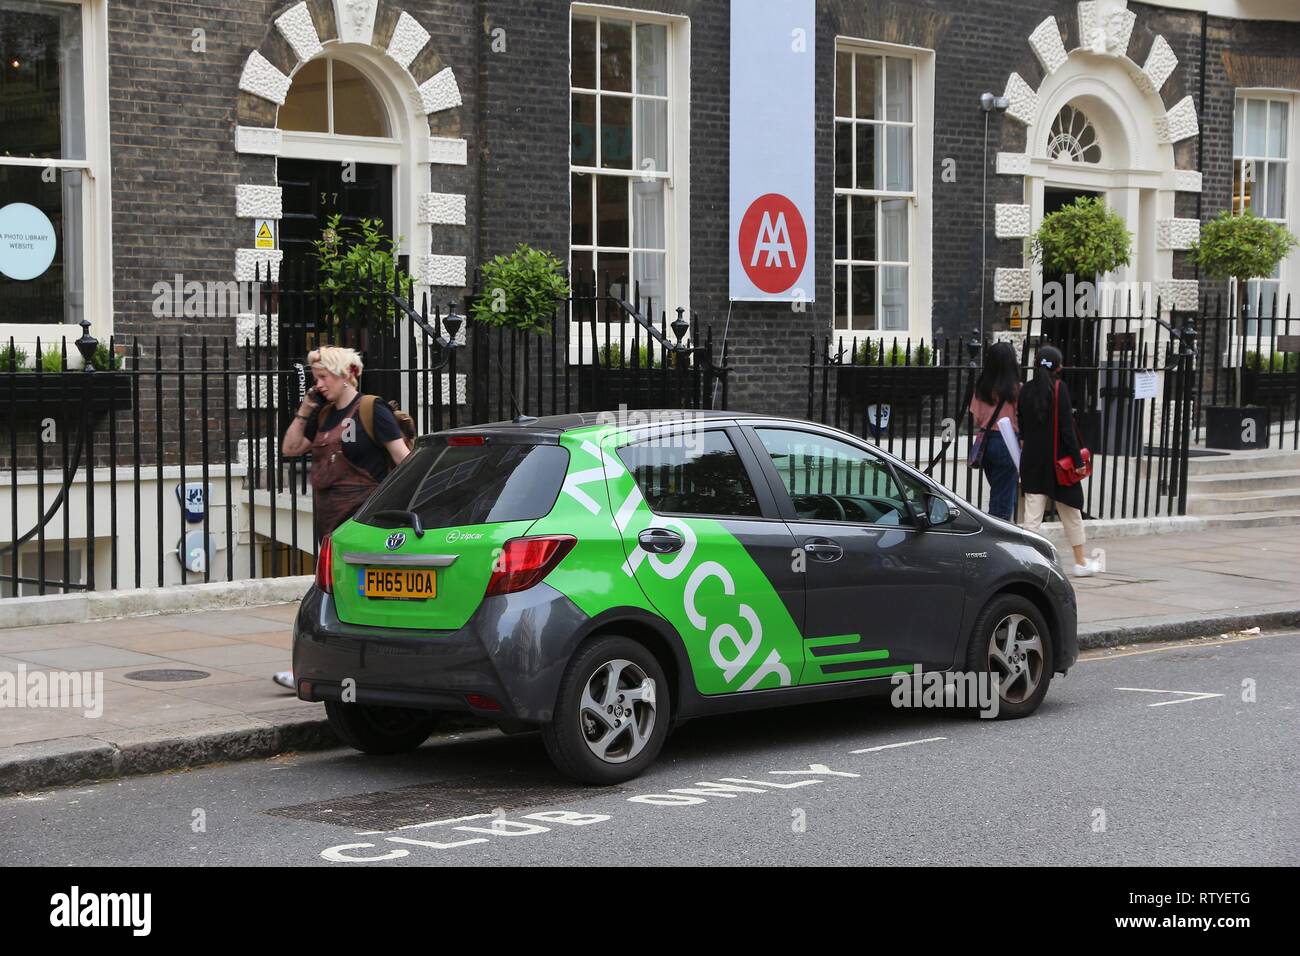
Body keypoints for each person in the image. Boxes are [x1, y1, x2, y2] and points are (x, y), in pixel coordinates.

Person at [273, 346, 410, 689]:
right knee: (339, 597)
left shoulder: (371, 409)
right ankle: (337, 668)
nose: (318, 384)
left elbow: (404, 461)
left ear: (348, 372)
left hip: (363, 522)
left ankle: (318, 668)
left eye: (324, 377)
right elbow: (290, 449)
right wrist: (306, 408)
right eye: (314, 377)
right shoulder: (322, 416)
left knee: (345, 596)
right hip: (330, 521)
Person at [1018, 345, 1101, 577]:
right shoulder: (1059, 388)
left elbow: (1022, 431)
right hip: (1058, 462)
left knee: (1032, 517)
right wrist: (1077, 460)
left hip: (1032, 460)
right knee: (1071, 513)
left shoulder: (1025, 391)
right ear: (1058, 367)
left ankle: (1028, 565)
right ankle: (1080, 562)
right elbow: (1067, 430)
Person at [969, 341, 1021, 521]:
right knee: (1002, 501)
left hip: (986, 441)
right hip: (1007, 442)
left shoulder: (981, 387)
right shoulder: (1016, 388)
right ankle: (998, 538)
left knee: (1002, 492)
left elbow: (976, 417)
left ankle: (1008, 531)